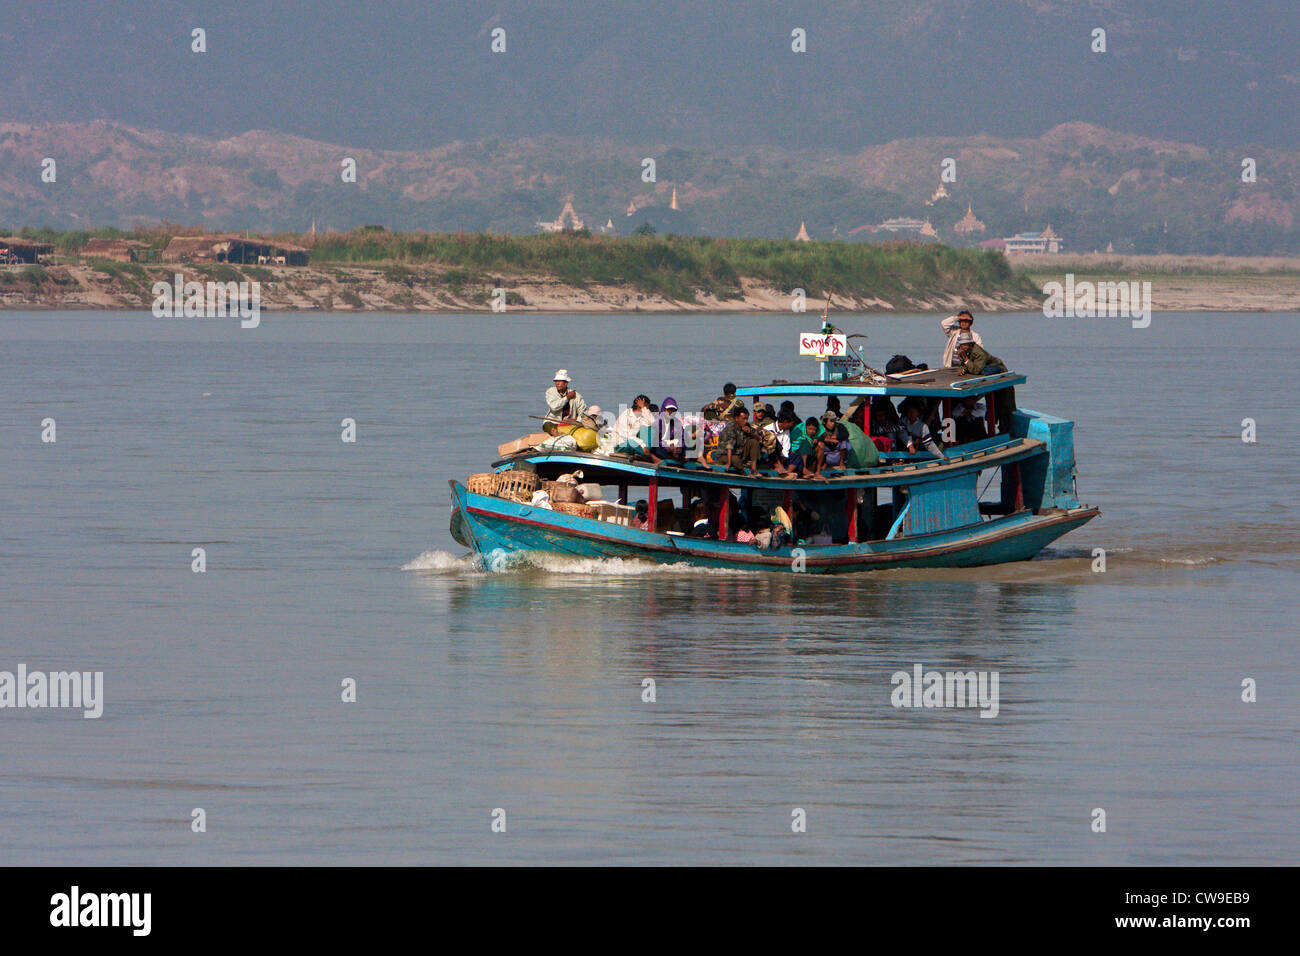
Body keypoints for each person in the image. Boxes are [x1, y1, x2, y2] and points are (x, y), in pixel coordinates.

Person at [715, 406, 762, 473]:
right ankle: (743, 473)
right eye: (743, 419)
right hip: (725, 455)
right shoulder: (731, 428)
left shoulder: (746, 426)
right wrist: (729, 463)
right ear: (737, 418)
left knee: (753, 442)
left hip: (740, 453)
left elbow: (758, 439)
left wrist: (750, 433)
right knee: (736, 460)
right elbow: (729, 446)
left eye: (747, 419)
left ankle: (754, 469)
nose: (745, 421)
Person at [811, 410, 852, 475]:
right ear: (824, 422)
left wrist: (835, 437)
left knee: (845, 441)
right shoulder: (820, 428)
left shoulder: (839, 426)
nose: (833, 423)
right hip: (827, 454)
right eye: (831, 421)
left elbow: (846, 434)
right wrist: (828, 440)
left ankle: (841, 463)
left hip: (837, 453)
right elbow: (817, 438)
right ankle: (824, 463)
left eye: (834, 421)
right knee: (820, 445)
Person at [649, 396, 687, 465]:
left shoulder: (677, 422)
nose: (671, 412)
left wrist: (680, 446)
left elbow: (682, 437)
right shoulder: (658, 421)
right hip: (662, 446)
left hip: (674, 445)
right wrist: (668, 447)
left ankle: (678, 457)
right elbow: (655, 440)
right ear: (664, 409)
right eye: (669, 410)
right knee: (657, 449)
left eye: (673, 410)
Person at [767, 410, 804, 476]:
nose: (792, 425)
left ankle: (787, 472)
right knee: (774, 440)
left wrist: (784, 457)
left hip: (782, 457)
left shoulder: (786, 431)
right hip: (771, 455)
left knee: (797, 455)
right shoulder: (768, 429)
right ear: (785, 422)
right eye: (791, 423)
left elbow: (786, 447)